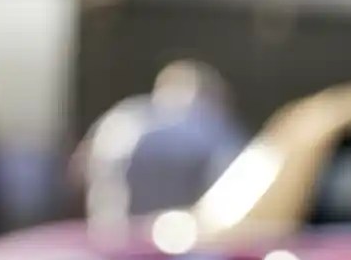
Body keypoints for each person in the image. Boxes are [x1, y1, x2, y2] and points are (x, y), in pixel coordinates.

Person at [73, 60, 246, 229]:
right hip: (179, 240)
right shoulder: (215, 128)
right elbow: (238, 187)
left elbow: (78, 170)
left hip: (114, 233)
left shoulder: (121, 117)